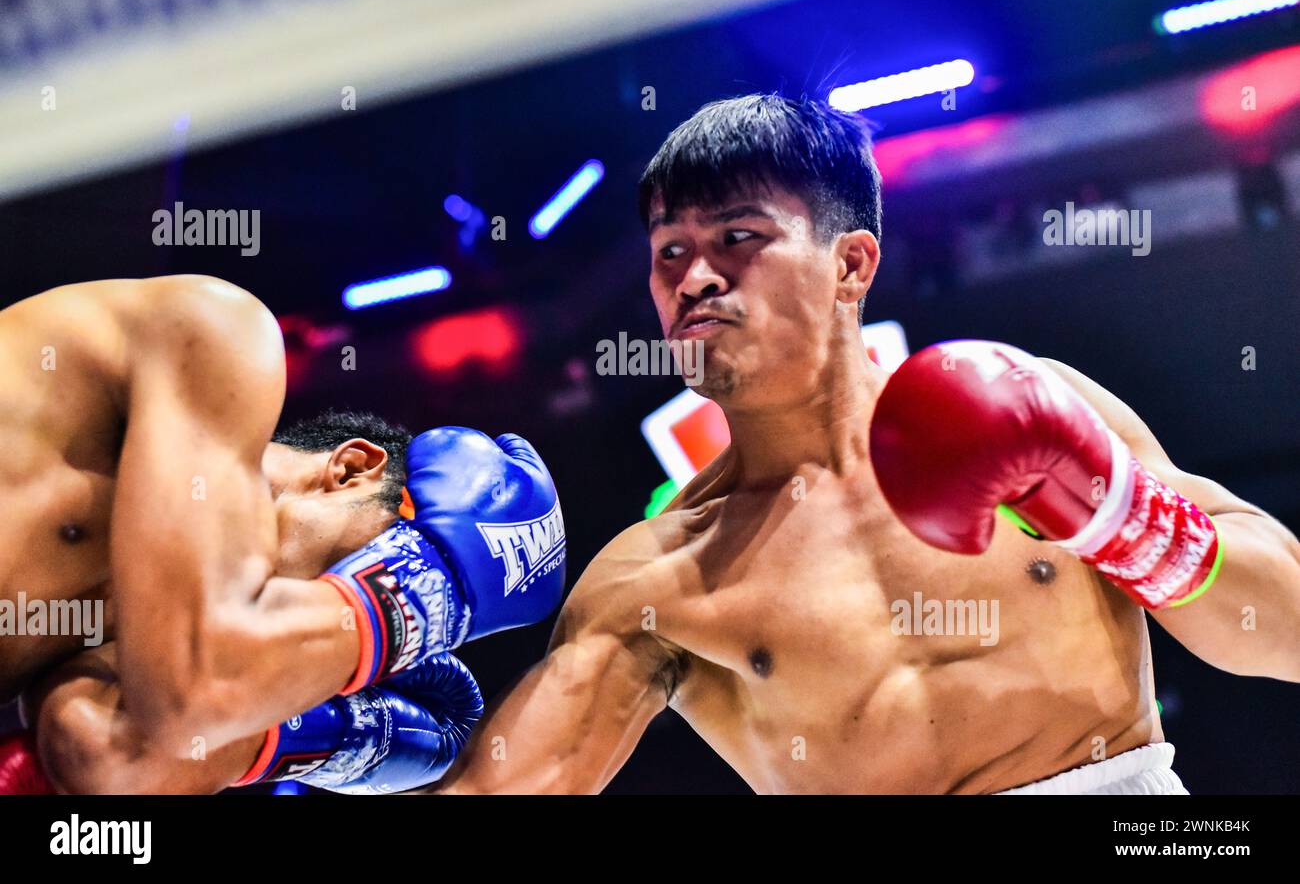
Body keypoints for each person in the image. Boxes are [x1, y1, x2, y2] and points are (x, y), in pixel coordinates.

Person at [430, 93, 1299, 794]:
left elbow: (1284, 627)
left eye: (739, 237)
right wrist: (333, 726)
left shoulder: (1038, 399)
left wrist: (1116, 511)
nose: (696, 277)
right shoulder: (655, 580)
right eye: (669, 253)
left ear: (851, 264)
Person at [0, 276, 566, 790]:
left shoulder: (154, 627)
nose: (329, 607)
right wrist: (431, 586)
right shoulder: (221, 329)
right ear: (351, 469)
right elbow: (197, 688)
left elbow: (112, 758)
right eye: (384, 557)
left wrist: (333, 734)